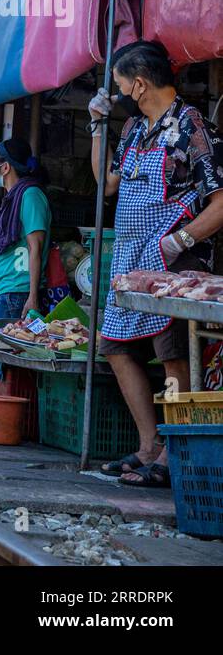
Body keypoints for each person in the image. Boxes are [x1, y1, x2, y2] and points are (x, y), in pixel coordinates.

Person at [88, 41, 223, 487]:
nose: (121, 91)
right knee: (115, 347)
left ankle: (172, 453)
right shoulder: (131, 130)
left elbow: (220, 203)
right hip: (131, 259)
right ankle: (148, 445)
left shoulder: (192, 127)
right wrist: (95, 126)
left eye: (122, 84)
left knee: (172, 356)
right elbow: (106, 185)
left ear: (140, 83)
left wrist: (178, 240)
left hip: (174, 258)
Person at [0, 137, 52, 321]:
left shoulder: (31, 195)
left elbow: (35, 248)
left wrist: (32, 297)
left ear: (5, 168)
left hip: (18, 292)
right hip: (8, 290)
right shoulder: (13, 198)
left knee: (3, 348)